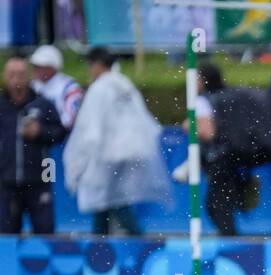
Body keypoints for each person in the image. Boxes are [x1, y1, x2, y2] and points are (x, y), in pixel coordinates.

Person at [62, 47, 170, 236]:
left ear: (96, 64)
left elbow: (90, 129)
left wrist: (78, 161)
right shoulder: (124, 84)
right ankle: (102, 240)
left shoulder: (100, 88)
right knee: (108, 199)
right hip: (132, 150)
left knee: (111, 198)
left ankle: (127, 241)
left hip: (109, 153)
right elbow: (144, 120)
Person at [194, 63, 271, 236]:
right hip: (240, 154)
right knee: (226, 199)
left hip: (223, 157)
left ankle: (230, 239)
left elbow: (208, 133)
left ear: (203, 81)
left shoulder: (203, 100)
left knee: (216, 204)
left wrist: (191, 127)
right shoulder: (231, 94)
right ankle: (233, 228)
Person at [0, 57, 65, 235]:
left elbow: (60, 133)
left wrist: (40, 132)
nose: (16, 80)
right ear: (5, 77)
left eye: (21, 74)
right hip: (7, 183)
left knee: (45, 231)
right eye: (12, 75)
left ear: (28, 76)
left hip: (41, 179)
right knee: (6, 234)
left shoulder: (43, 103)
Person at [29, 44, 81, 130]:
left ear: (53, 67)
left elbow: (68, 121)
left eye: (41, 66)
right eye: (35, 66)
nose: (36, 69)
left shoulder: (70, 87)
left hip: (61, 137)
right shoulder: (33, 85)